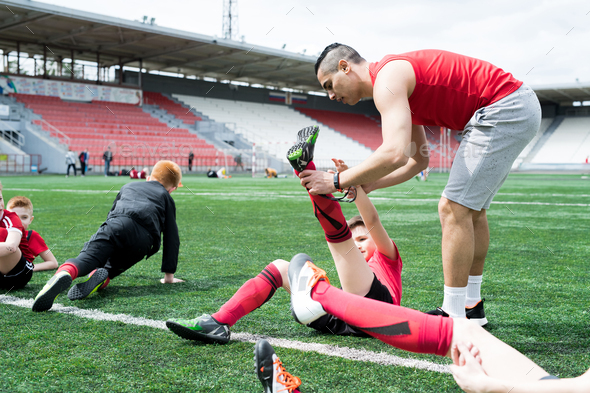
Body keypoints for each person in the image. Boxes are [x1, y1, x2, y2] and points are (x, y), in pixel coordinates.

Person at [299, 43, 542, 323]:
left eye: (329, 85)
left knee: (452, 208)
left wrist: (336, 180)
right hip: (511, 105)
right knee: (471, 212)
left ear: (345, 66)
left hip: (504, 106)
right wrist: (370, 185)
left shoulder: (387, 81)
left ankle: (453, 314)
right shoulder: (393, 87)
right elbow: (417, 161)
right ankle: (471, 307)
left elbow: (394, 152)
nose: (330, 95)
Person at [166, 126, 402, 343]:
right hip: (343, 319)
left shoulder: (387, 257)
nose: (359, 244)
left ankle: (305, 166)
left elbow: (371, 220)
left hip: (380, 313)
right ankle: (219, 321)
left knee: (334, 246)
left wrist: (356, 186)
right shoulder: (357, 270)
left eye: (363, 239)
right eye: (357, 239)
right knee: (280, 267)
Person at [31, 160, 184, 312]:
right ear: (172, 189)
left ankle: (65, 273)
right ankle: (100, 277)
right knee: (111, 269)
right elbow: (172, 237)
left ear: (148, 178)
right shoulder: (166, 197)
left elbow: (111, 213)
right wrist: (168, 276)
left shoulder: (128, 186)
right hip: (143, 240)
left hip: (116, 224)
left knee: (86, 259)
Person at [6, 196, 58, 272]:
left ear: (30, 219)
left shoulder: (31, 236)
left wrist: (28, 269)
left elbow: (53, 263)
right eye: (15, 217)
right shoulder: (2, 232)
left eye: (24, 217)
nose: (19, 222)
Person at [0, 181, 33, 290]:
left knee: (2, 232)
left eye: (0, 199)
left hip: (20, 273)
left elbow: (11, 247)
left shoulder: (11, 218)